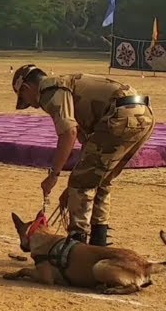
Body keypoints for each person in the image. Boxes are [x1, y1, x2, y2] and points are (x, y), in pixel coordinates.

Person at [11, 64, 155, 245]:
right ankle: (99, 243)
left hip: (120, 116)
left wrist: (54, 176)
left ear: (26, 88)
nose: (32, 106)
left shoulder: (49, 90)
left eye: (24, 98)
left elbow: (68, 134)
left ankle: (75, 246)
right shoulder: (68, 86)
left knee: (82, 182)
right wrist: (71, 188)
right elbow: (88, 151)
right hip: (143, 114)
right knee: (100, 179)